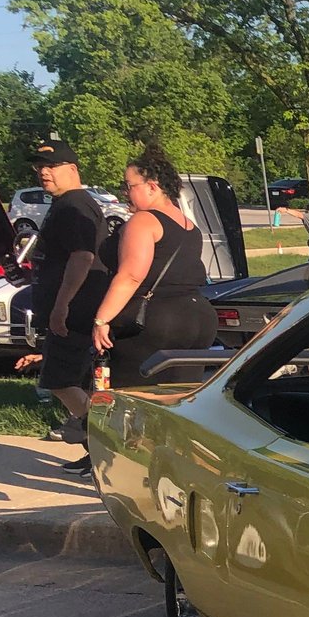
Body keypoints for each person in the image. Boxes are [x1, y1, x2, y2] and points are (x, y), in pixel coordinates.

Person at [84, 145, 219, 453]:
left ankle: (140, 465)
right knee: (179, 402)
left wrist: (101, 319)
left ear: (152, 186)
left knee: (137, 401)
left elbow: (131, 274)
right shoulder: (189, 226)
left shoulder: (144, 221)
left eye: (129, 185)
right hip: (198, 316)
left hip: (159, 320)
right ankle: (177, 462)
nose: (125, 193)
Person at [16, 136, 109, 453]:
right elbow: (60, 259)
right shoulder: (66, 204)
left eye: (52, 166)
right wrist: (28, 275)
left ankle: (103, 439)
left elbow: (83, 257)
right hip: (70, 307)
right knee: (75, 381)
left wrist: (62, 306)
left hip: (74, 311)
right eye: (40, 166)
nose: (44, 172)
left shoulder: (74, 205)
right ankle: (94, 451)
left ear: (72, 168)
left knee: (59, 379)